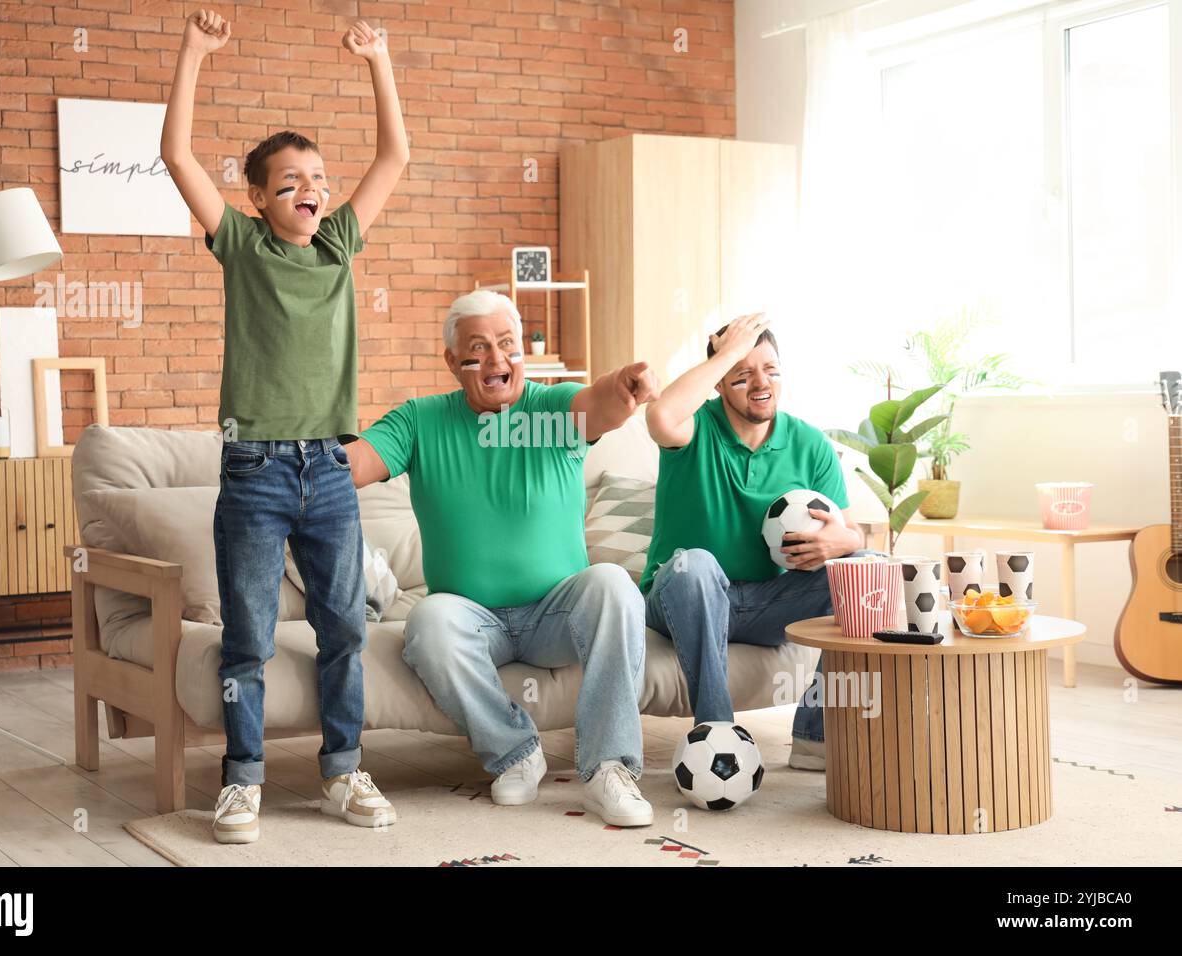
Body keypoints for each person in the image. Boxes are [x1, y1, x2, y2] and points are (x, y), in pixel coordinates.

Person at [161, 10, 409, 843]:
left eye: (318, 175)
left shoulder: (339, 245)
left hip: (330, 470)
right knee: (249, 638)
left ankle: (343, 769)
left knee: (344, 629)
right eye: (291, 179)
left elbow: (395, 156)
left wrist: (378, 59)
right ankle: (243, 782)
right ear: (260, 198)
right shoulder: (239, 245)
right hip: (256, 471)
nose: (312, 187)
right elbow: (177, 156)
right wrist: (195, 52)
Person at [346, 290, 660, 826]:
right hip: (473, 620)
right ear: (452, 361)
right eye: (479, 348)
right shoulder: (421, 421)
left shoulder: (553, 411)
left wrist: (622, 387)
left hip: (557, 613)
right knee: (428, 619)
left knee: (611, 583)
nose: (497, 360)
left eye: (508, 345)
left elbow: (598, 405)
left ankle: (610, 769)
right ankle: (515, 752)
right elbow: (350, 466)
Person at [642, 313, 870, 773]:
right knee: (696, 565)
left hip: (767, 603)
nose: (760, 383)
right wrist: (726, 352)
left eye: (770, 369)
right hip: (685, 597)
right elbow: (661, 414)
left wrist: (841, 542)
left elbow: (851, 533)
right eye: (741, 376)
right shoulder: (694, 430)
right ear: (720, 386)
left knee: (863, 565)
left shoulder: (810, 444)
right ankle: (717, 734)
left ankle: (815, 737)